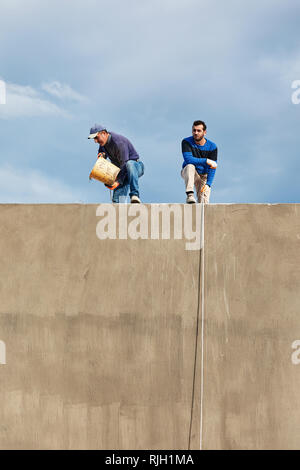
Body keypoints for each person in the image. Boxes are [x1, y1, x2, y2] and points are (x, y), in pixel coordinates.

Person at [88, 124, 144, 203]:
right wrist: (101, 154)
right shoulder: (103, 142)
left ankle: (134, 195)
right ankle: (120, 207)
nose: (95, 141)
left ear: (104, 133)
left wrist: (117, 182)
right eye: (94, 139)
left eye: (96, 137)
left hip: (135, 166)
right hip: (122, 171)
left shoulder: (119, 142)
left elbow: (125, 163)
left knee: (129, 165)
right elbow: (102, 149)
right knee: (117, 202)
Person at [181, 120, 218, 204]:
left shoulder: (212, 146)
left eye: (199, 130)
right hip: (190, 172)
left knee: (204, 204)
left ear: (204, 132)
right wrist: (206, 161)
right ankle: (190, 195)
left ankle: (202, 204)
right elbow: (188, 159)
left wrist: (208, 184)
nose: (196, 133)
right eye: (194, 130)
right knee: (190, 166)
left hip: (204, 176)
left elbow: (213, 167)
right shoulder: (186, 142)